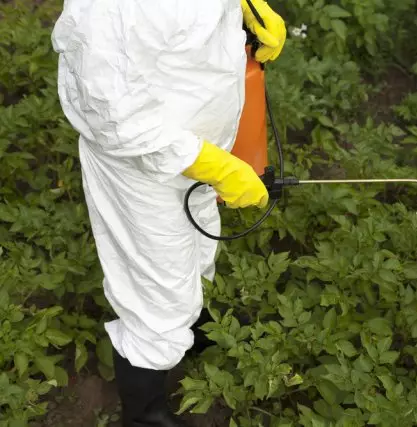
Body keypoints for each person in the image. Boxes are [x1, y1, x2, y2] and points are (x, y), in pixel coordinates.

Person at [51, 0, 286, 425]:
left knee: (196, 247)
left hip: (197, 144)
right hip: (140, 167)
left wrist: (246, 9)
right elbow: (114, 115)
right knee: (156, 295)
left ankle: (190, 322)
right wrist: (209, 164)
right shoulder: (105, 11)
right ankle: (144, 414)